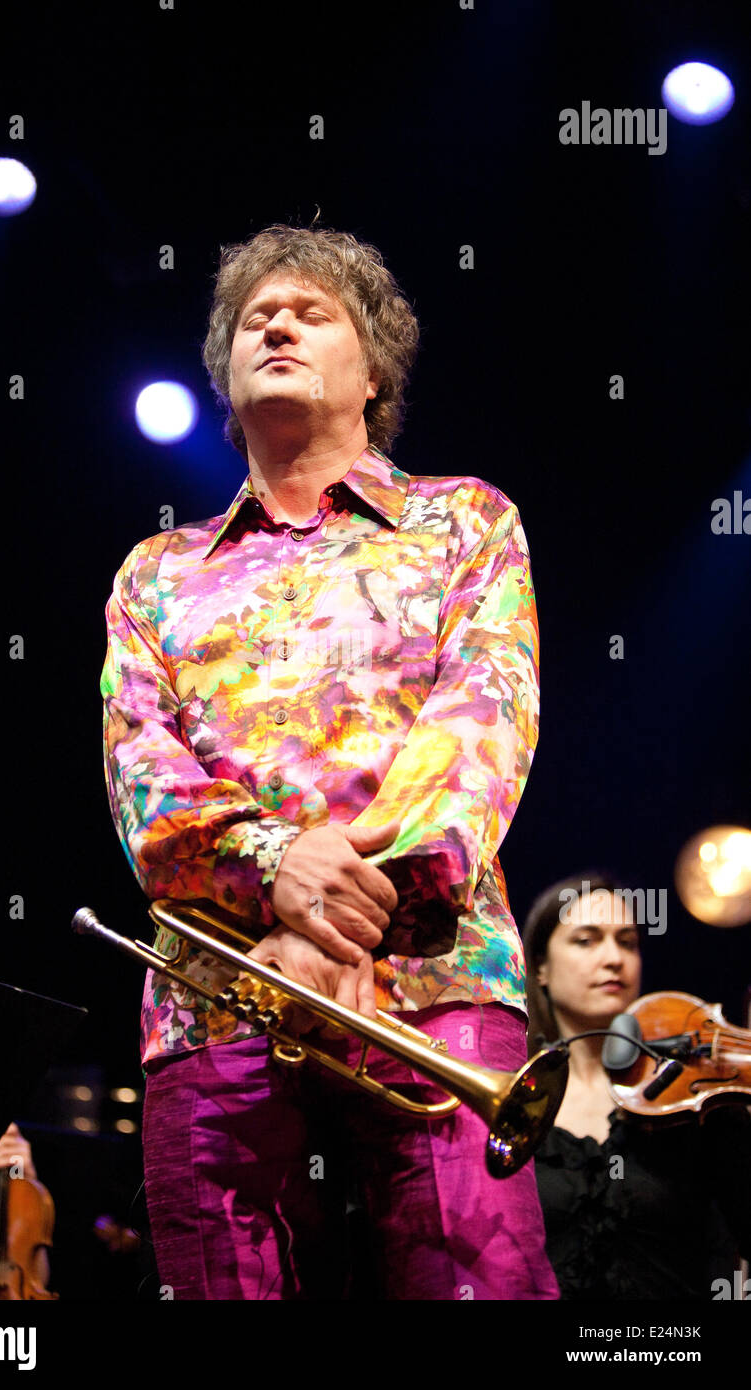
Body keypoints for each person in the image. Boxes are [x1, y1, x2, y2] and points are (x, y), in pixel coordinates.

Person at [102, 222, 556, 1300]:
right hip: (217, 990)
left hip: (431, 974)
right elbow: (141, 775)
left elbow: (482, 724)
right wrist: (276, 876)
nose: (273, 320)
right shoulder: (153, 572)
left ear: (374, 368)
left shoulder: (466, 523)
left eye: (309, 310)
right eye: (254, 314)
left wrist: (351, 906)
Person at [522, 872, 751, 1300]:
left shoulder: (690, 1100)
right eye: (586, 940)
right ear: (541, 969)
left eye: (627, 942)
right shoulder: (519, 1099)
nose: (614, 958)